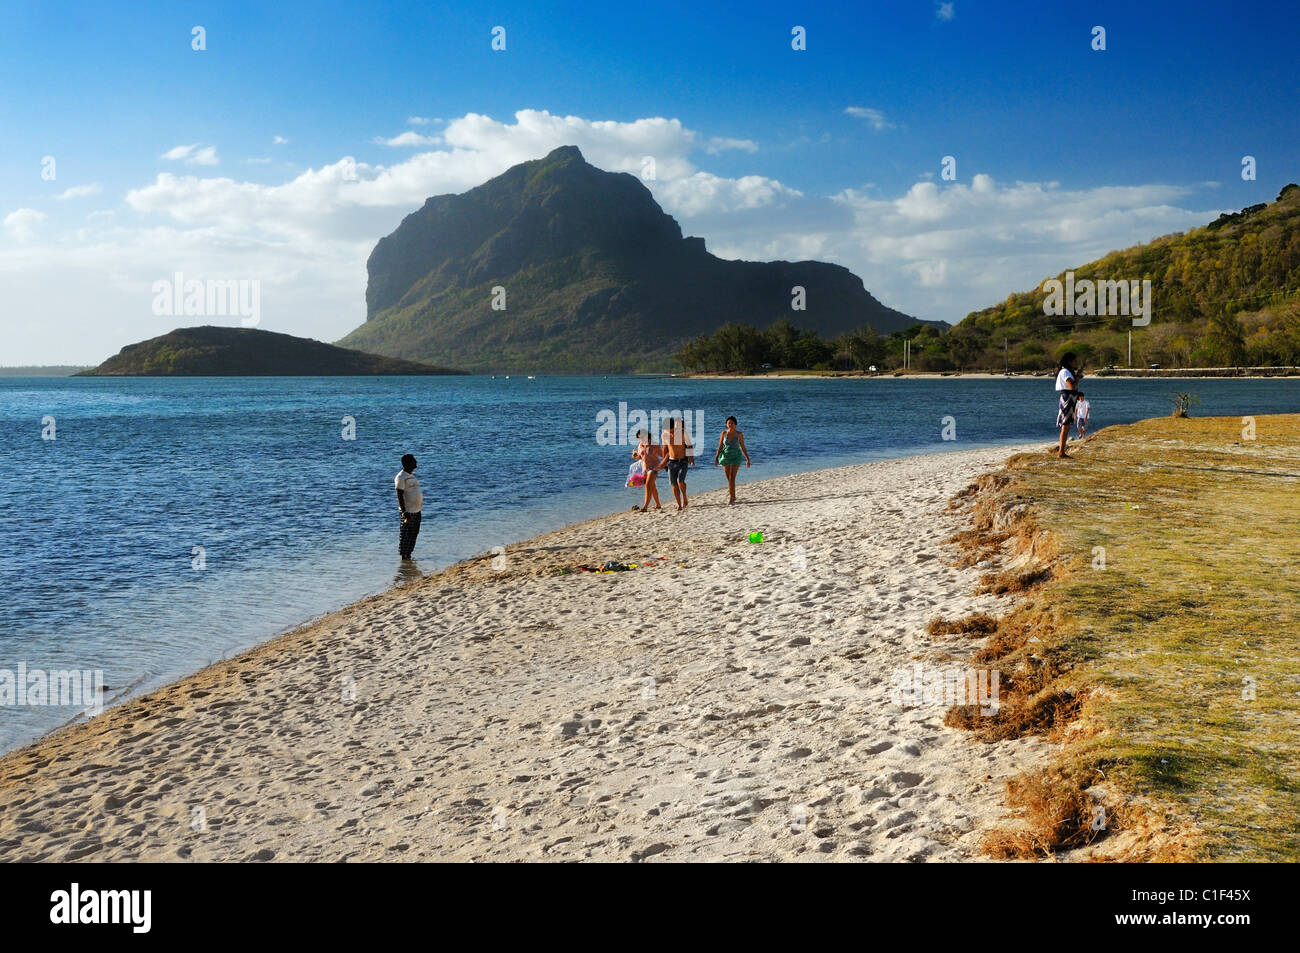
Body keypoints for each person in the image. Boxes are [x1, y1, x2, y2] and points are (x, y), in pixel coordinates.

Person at [714, 416, 750, 504]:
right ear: (726, 424)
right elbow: (720, 446)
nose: (730, 424)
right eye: (729, 423)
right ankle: (733, 495)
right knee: (729, 479)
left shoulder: (739, 434)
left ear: (735, 424)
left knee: (732, 477)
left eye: (732, 423)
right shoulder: (723, 433)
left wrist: (747, 459)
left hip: (736, 456)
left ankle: (731, 498)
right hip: (725, 456)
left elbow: (743, 447)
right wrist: (716, 458)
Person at [661, 417, 695, 510]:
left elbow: (690, 446)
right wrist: (664, 463)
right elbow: (665, 448)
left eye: (671, 430)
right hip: (671, 462)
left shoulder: (683, 433)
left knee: (681, 481)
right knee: (674, 484)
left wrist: (691, 459)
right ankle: (679, 505)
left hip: (683, 461)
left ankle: (684, 496)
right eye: (668, 430)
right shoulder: (664, 435)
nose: (670, 432)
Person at [1055, 353, 1084, 459]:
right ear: (1070, 362)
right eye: (1075, 361)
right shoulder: (1065, 372)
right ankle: (1061, 452)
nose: (1076, 363)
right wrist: (1077, 378)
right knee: (1065, 426)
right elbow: (1072, 386)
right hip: (1068, 399)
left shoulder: (1066, 371)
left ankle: (1061, 451)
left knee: (1066, 426)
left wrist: (1077, 377)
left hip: (1069, 398)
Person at [395, 453, 423, 559]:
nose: (416, 462)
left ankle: (409, 556)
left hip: (417, 511)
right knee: (406, 535)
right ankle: (404, 558)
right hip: (408, 512)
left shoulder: (411, 476)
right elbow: (399, 495)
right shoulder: (401, 477)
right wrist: (404, 511)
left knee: (413, 535)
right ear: (407, 463)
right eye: (413, 460)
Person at [632, 430, 664, 512]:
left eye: (642, 437)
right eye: (639, 438)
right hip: (645, 469)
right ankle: (658, 505)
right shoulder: (640, 445)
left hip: (654, 467)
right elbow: (641, 457)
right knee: (652, 487)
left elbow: (663, 454)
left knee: (648, 485)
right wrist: (636, 456)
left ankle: (645, 507)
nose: (641, 439)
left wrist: (667, 463)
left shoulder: (654, 444)